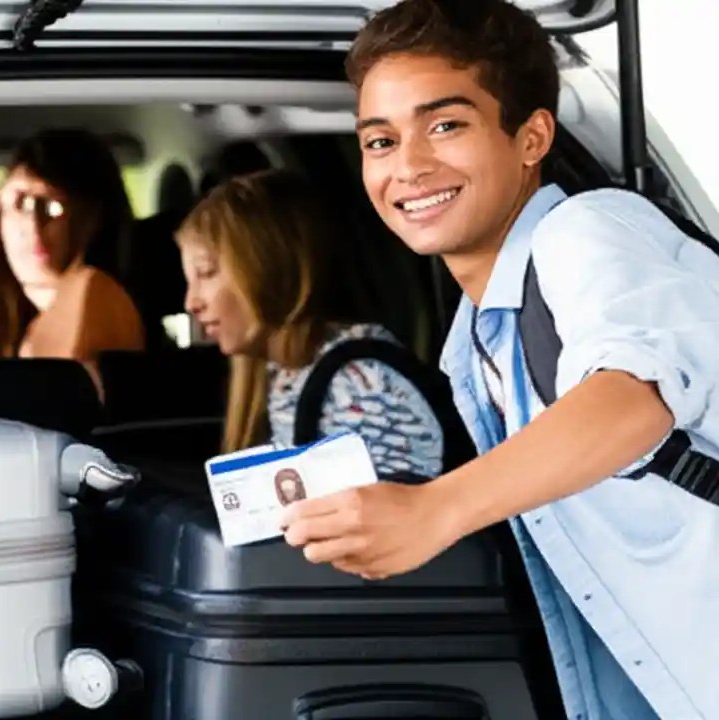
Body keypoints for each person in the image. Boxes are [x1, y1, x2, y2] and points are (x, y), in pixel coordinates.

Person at [279, 2, 719, 718]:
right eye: (380, 141)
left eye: (445, 125)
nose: (410, 166)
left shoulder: (586, 232)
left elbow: (634, 390)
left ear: (532, 136)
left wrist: (436, 510)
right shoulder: (480, 341)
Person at [177, 169, 444, 477]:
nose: (191, 303)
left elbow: (401, 514)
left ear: (270, 267)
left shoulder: (356, 384)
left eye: (207, 273)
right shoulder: (282, 371)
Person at [0, 128, 144, 362]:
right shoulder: (6, 323)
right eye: (19, 203)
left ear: (92, 217)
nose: (33, 224)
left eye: (53, 206)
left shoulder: (96, 289)